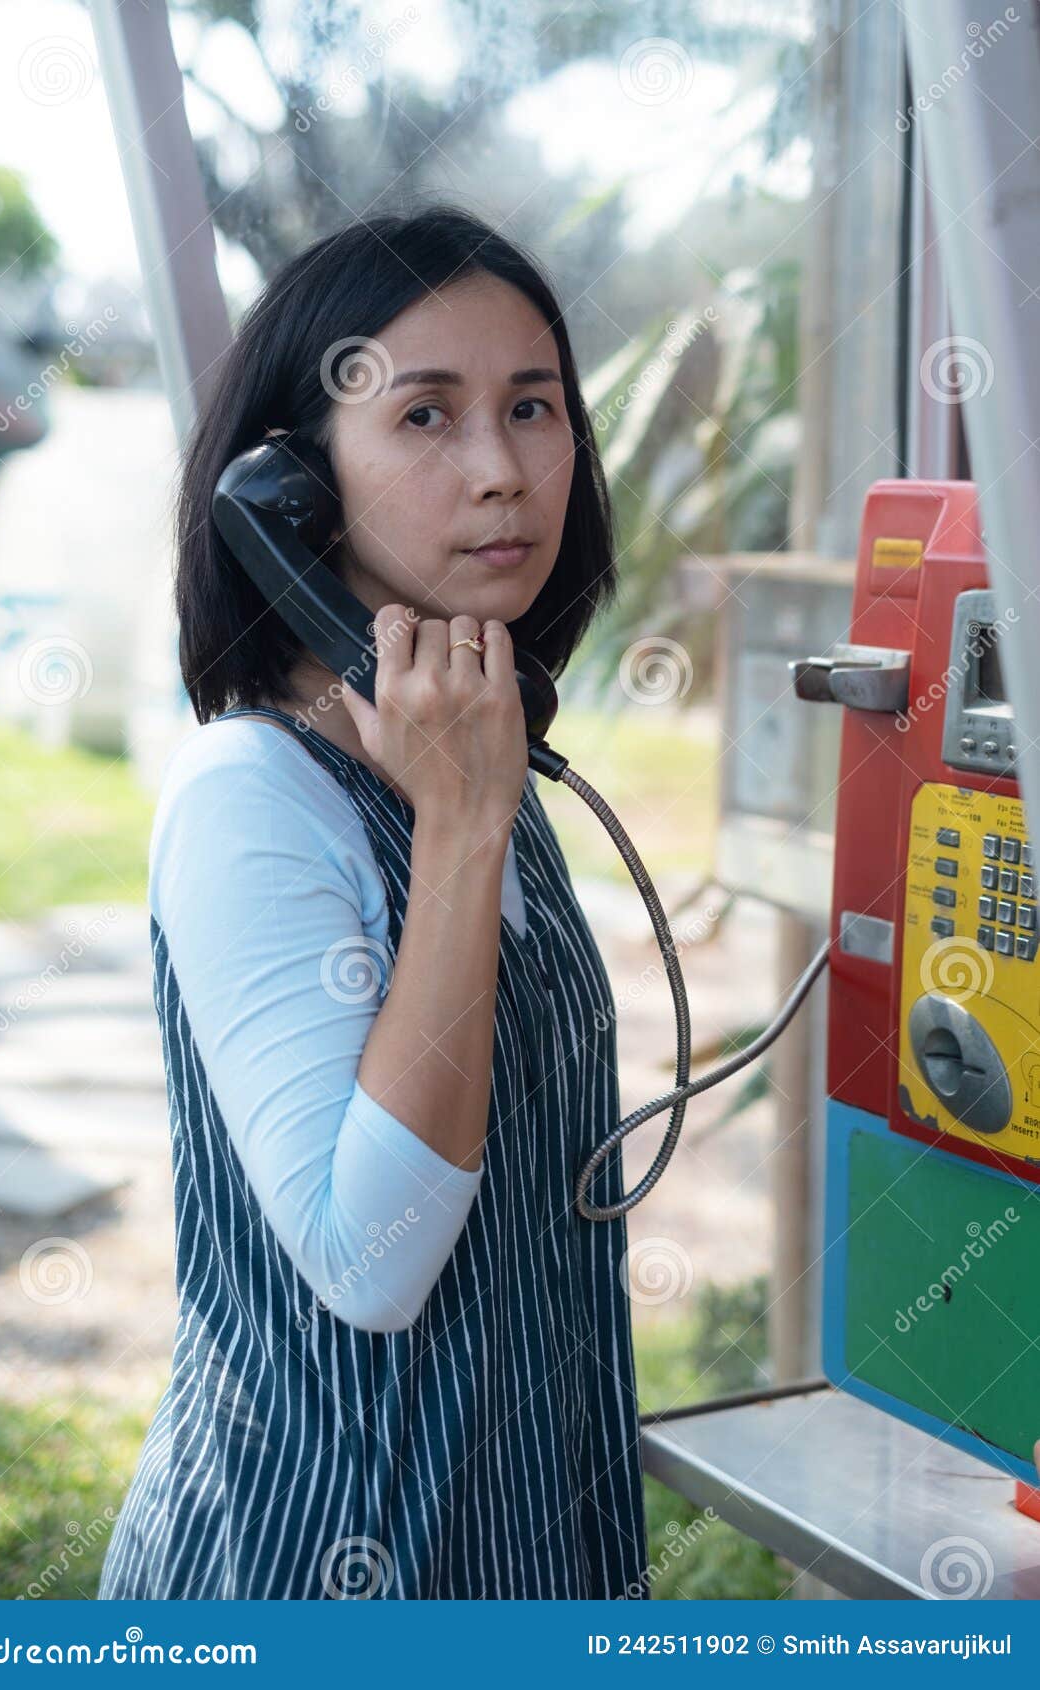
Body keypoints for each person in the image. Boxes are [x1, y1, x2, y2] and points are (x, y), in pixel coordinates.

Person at [97, 203, 648, 1600]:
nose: (502, 472)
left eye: (534, 407)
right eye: (424, 417)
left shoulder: (478, 756)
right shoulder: (250, 796)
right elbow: (372, 1256)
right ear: (289, 490)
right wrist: (461, 829)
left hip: (529, 1553)